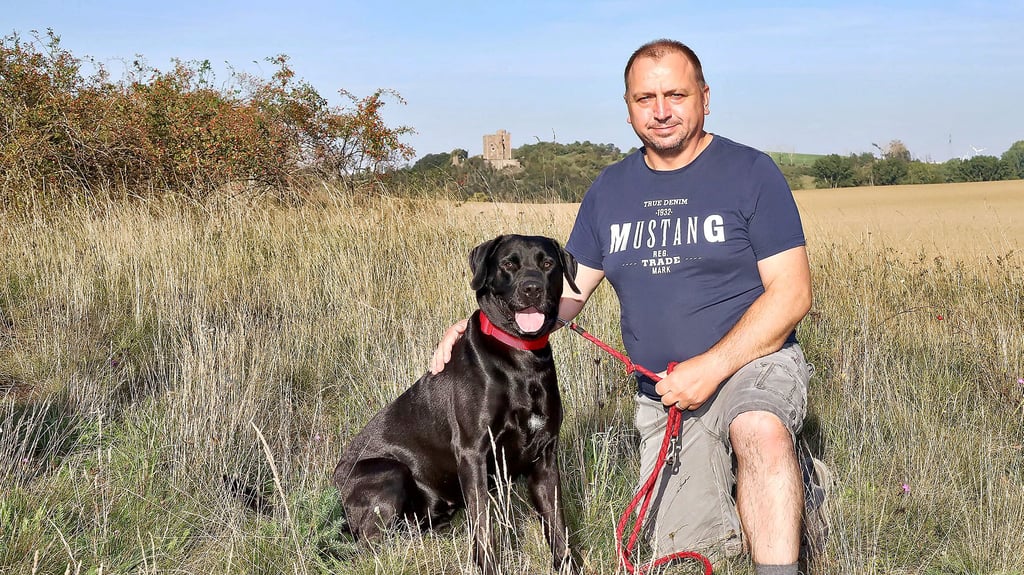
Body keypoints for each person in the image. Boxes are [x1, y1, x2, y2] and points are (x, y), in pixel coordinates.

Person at [432, 39, 825, 575]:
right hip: (666, 393)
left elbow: (792, 294)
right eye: (645, 98)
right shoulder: (610, 190)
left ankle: (778, 511)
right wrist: (478, 326)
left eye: (675, 94)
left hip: (752, 363)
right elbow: (563, 296)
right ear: (628, 108)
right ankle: (770, 488)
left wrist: (711, 368)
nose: (661, 111)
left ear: (705, 98)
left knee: (758, 428)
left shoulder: (751, 173)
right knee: (683, 555)